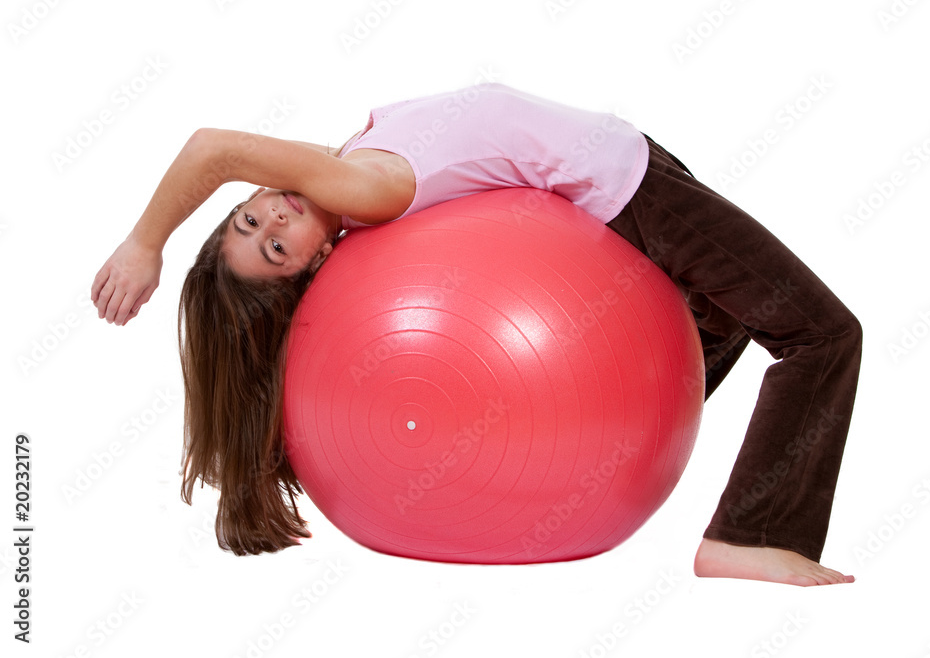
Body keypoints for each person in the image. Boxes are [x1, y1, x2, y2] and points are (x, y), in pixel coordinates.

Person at [91, 83, 862, 586]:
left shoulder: (344, 174)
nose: (274, 218)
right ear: (316, 260)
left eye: (249, 219)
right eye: (275, 248)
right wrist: (143, 243)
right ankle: (751, 533)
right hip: (635, 194)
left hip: (629, 190)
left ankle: (598, 458)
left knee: (712, 326)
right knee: (822, 333)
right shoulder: (359, 188)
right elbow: (211, 148)